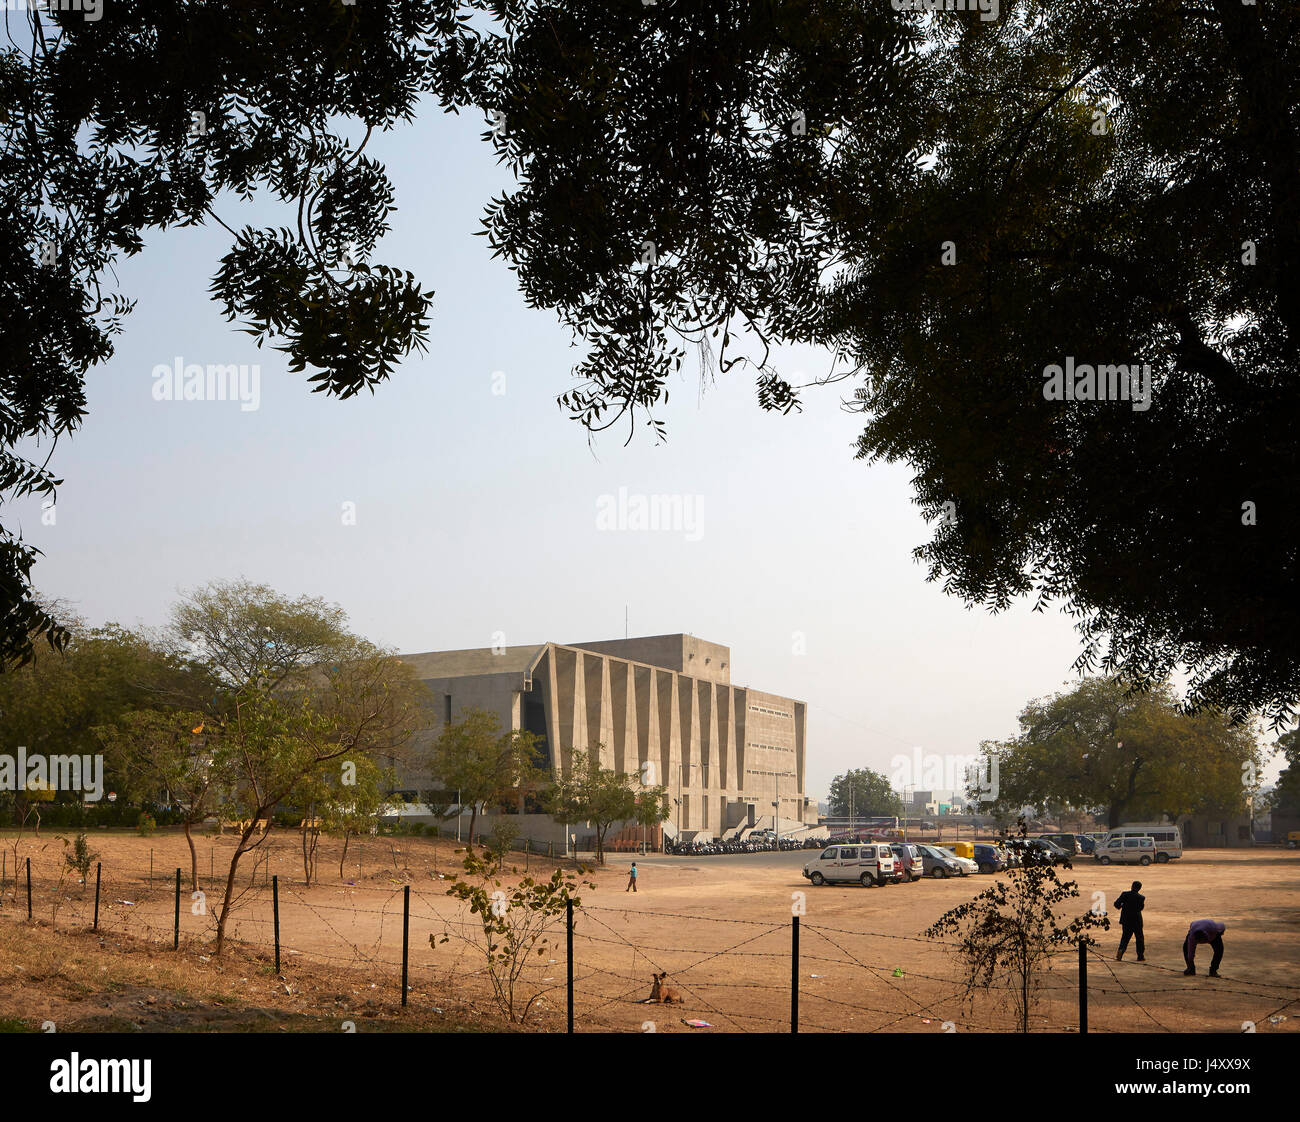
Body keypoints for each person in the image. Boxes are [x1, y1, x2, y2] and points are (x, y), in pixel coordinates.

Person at [1114, 881, 1145, 961]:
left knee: (1125, 937)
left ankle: (1121, 951)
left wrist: (1122, 905)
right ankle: (1140, 955)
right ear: (1139, 888)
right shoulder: (1141, 898)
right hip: (1137, 920)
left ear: (1132, 886)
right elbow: (1140, 908)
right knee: (1139, 938)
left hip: (1126, 920)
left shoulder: (1125, 894)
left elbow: (1116, 904)